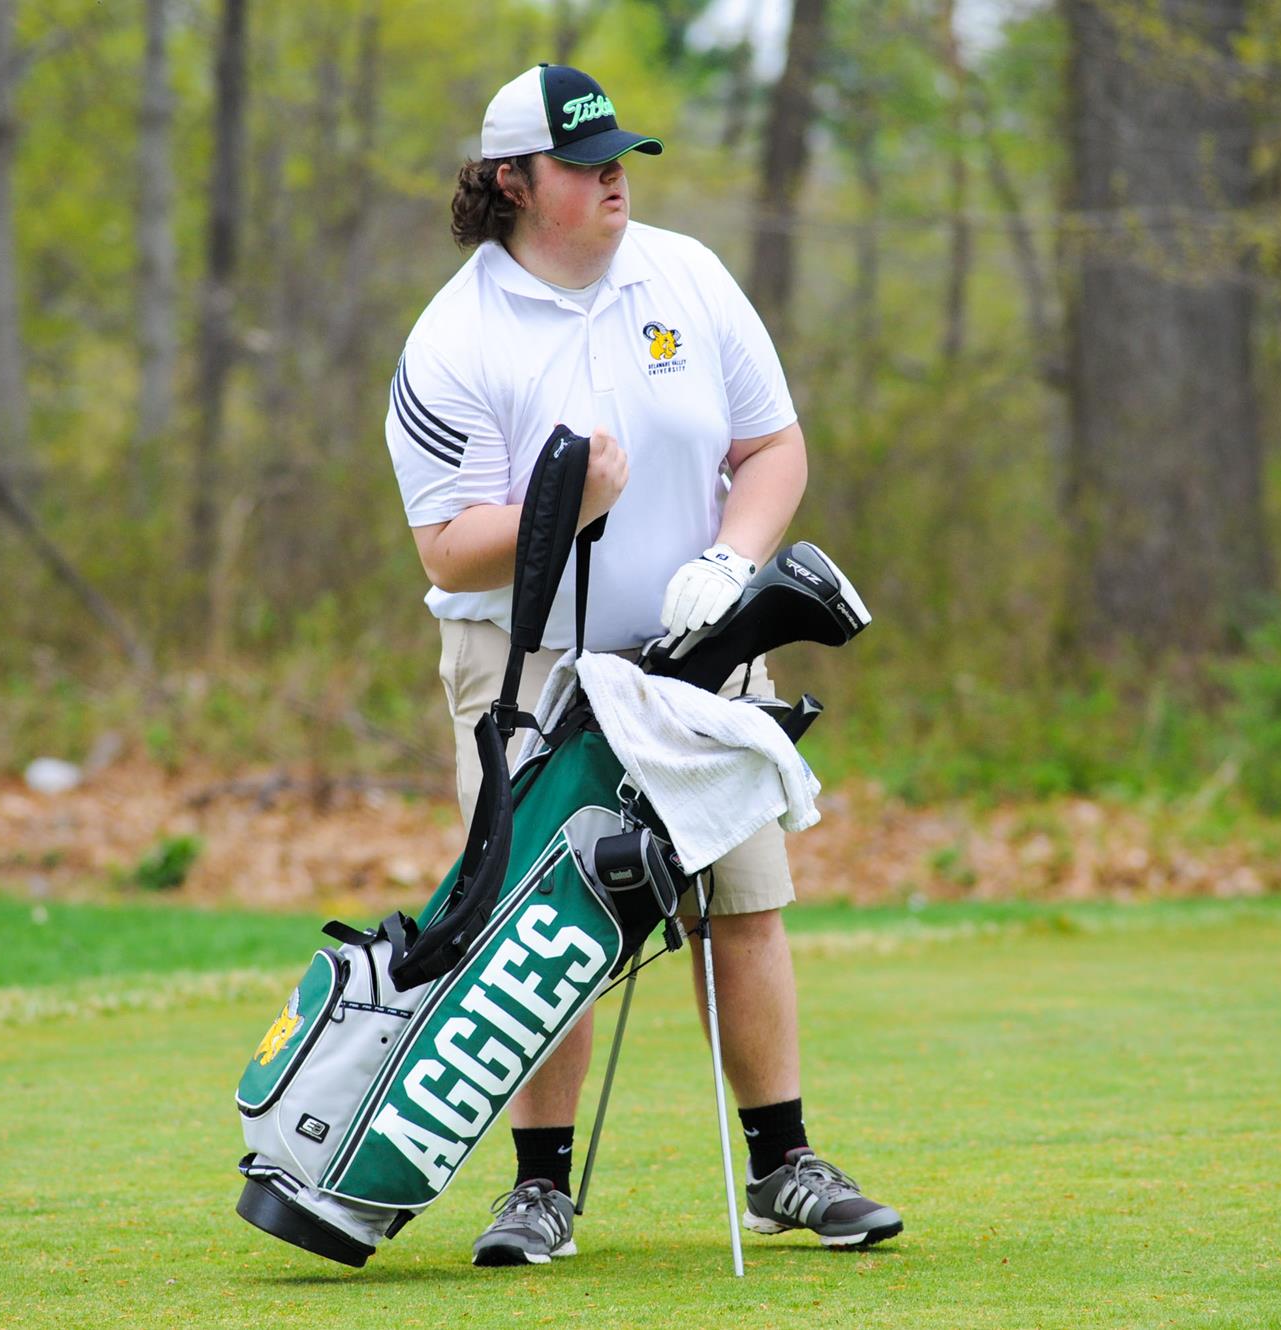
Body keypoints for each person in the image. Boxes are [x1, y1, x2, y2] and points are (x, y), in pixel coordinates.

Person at [383, 63, 903, 1268]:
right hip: (528, 664)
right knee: (539, 921)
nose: (613, 173)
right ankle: (539, 1188)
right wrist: (565, 506)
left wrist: (730, 558)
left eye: (619, 152)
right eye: (582, 161)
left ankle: (784, 1166)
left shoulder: (685, 276)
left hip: (699, 650)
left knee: (741, 899)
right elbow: (448, 548)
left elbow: (770, 444)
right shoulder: (453, 338)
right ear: (513, 181)